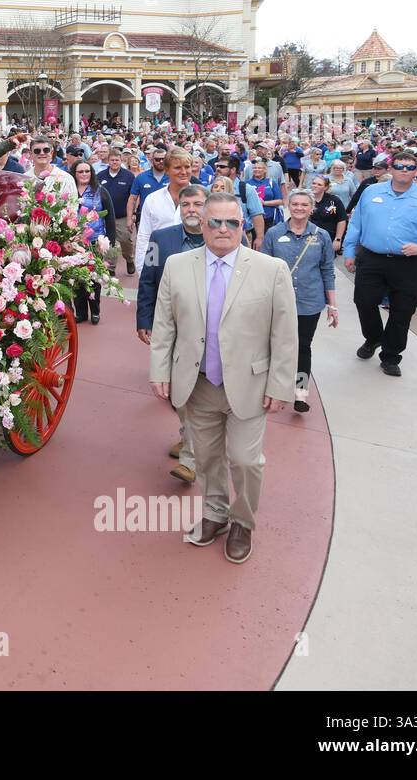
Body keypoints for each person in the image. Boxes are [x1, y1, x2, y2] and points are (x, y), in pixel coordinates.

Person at [148, 192, 298, 564]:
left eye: (231, 222)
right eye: (214, 221)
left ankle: (242, 522)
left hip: (249, 386)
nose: (222, 229)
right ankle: (215, 515)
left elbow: (284, 333)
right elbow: (164, 324)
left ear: (243, 226)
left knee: (245, 461)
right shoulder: (177, 266)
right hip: (197, 383)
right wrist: (160, 370)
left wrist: (281, 385)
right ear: (201, 223)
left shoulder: (271, 270)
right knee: (208, 457)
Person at [342, 150, 417, 377]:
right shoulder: (371, 192)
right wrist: (350, 252)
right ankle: (373, 338)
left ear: (416, 171)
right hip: (371, 258)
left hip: (408, 264)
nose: (404, 171)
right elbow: (356, 225)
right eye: (399, 166)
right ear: (390, 169)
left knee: (402, 311)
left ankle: (391, 356)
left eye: (409, 167)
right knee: (364, 301)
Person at [135, 184, 208, 483]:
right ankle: (187, 435)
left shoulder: (219, 238)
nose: (192, 209)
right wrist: (144, 318)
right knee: (176, 392)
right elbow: (148, 280)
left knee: (198, 390)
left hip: (206, 329)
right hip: (170, 327)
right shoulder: (160, 238)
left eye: (198, 204)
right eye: (186, 204)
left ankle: (192, 456)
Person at [261, 190, 338, 413]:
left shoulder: (321, 236)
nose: (299, 208)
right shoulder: (274, 234)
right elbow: (263, 268)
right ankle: (272, 386)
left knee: (303, 347)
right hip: (278, 302)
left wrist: (332, 305)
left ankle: (300, 392)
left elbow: (327, 270)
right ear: (288, 206)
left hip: (309, 302)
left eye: (304, 205)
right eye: (295, 204)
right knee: (273, 345)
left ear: (311, 208)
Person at [68, 159, 115, 324]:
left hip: (96, 242)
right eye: (80, 172)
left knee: (94, 278)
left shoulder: (100, 191)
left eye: (87, 171)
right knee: (77, 279)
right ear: (74, 173)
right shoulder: (69, 191)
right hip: (73, 243)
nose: (84, 174)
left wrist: (111, 241)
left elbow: (110, 217)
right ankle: (80, 312)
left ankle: (95, 311)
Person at [133, 149, 194, 272]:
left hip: (193, 267)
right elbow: (145, 238)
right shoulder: (152, 200)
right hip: (160, 266)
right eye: (177, 168)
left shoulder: (204, 199)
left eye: (187, 167)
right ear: (166, 170)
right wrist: (143, 272)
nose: (183, 172)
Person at [97, 148, 136, 275]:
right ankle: (111, 268)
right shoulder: (101, 176)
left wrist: (133, 214)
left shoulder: (128, 176)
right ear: (108, 161)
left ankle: (129, 259)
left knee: (125, 239)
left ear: (121, 161)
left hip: (122, 215)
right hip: (106, 216)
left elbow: (134, 196)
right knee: (110, 242)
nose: (114, 162)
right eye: (112, 160)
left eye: (117, 160)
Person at [308, 175, 348, 252]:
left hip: (328, 239)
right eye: (314, 183)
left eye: (319, 184)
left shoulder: (334, 201)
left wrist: (338, 239)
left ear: (325, 187)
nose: (315, 186)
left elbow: (342, 220)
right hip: (309, 239)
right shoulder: (306, 199)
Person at [247, 157, 285, 227]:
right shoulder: (247, 184)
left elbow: (280, 201)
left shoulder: (271, 182)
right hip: (252, 218)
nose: (257, 170)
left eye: (259, 168)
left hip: (269, 218)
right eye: (255, 168)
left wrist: (264, 203)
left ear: (265, 170)